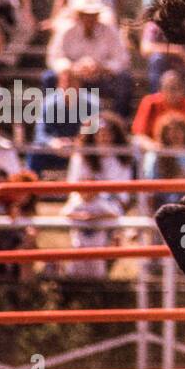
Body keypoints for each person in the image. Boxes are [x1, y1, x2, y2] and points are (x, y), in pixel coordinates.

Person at [60, 113, 134, 277]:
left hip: (110, 205)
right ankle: (75, 274)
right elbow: (74, 186)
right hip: (83, 200)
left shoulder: (122, 159)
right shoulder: (82, 156)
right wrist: (88, 198)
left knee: (107, 221)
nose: (104, 136)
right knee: (77, 217)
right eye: (99, 132)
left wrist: (101, 203)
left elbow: (123, 195)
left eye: (108, 133)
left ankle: (100, 274)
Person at [44, 0, 133, 117]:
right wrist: (73, 68)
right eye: (86, 14)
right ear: (79, 14)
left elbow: (122, 58)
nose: (90, 18)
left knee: (124, 80)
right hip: (72, 79)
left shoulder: (109, 30)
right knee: (49, 78)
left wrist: (103, 67)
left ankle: (119, 121)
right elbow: (54, 57)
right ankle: (55, 120)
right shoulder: (66, 30)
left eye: (93, 14)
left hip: (101, 78)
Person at [139, 19, 185, 111]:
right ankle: (157, 106)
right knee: (156, 59)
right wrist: (178, 51)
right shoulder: (157, 24)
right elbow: (146, 48)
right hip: (162, 82)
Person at [132, 69, 185, 153]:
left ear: (184, 90)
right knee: (136, 142)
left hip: (182, 151)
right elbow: (139, 135)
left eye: (177, 88)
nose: (172, 92)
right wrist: (155, 147)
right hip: (155, 149)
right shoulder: (150, 102)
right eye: (169, 88)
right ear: (160, 89)